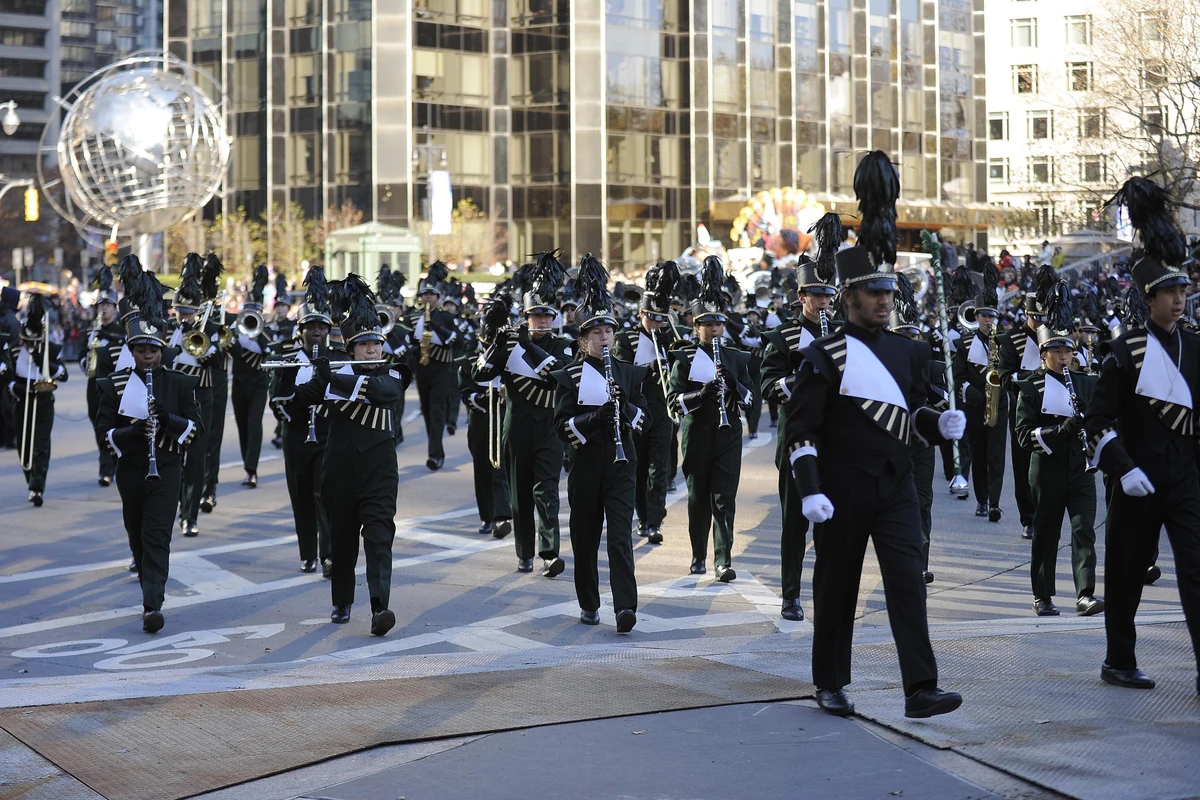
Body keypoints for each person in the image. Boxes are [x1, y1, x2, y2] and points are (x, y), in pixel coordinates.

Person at [783, 150, 965, 719]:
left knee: (908, 582)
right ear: (848, 297)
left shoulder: (910, 352)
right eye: (874, 293)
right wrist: (810, 488)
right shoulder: (825, 353)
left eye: (889, 292)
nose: (885, 300)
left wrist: (941, 424)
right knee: (836, 588)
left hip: (896, 487)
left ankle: (920, 688)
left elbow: (912, 414)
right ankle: (830, 680)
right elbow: (799, 431)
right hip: (839, 490)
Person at [1085, 177, 1200, 692]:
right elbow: (1098, 420)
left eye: (1183, 291)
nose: (1180, 300)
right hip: (1138, 476)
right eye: (1170, 293)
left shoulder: (1195, 347)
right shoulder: (1124, 349)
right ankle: (1119, 660)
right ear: (1149, 297)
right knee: (1127, 575)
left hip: (1187, 479)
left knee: (1197, 574)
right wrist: (1122, 467)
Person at [296, 273, 410, 633]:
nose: (373, 350)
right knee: (342, 539)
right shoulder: (333, 373)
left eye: (376, 343)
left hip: (380, 471)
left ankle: (380, 608)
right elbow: (302, 400)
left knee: (379, 537)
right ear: (351, 349)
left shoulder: (395, 373)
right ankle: (342, 601)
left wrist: (333, 378)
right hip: (340, 469)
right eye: (365, 345)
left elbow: (381, 393)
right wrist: (313, 373)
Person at [95, 273, 200, 633]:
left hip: (167, 466)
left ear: (162, 351)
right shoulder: (115, 384)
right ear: (133, 351)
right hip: (131, 469)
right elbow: (105, 434)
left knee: (157, 535)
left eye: (154, 350)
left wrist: (169, 420)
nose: (148, 356)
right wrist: (134, 431)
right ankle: (146, 581)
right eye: (141, 350)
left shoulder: (180, 383)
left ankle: (152, 603)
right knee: (137, 533)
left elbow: (194, 430)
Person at [553, 255, 647, 629]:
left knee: (620, 536)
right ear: (583, 339)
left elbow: (645, 419)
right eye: (596, 333)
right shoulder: (569, 375)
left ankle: (626, 606)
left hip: (623, 463)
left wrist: (623, 410)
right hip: (586, 462)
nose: (604, 337)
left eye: (608, 331)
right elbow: (561, 425)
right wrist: (594, 417)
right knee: (585, 535)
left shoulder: (629, 372)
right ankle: (589, 601)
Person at [474, 252, 574, 575]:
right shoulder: (511, 343)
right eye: (535, 316)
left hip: (548, 427)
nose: (542, 322)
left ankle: (549, 552)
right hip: (515, 427)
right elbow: (481, 374)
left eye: (547, 316)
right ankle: (524, 553)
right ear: (526, 316)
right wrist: (496, 344)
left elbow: (556, 372)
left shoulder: (563, 345)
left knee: (546, 490)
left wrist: (526, 346)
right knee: (519, 495)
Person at [760, 218, 841, 620]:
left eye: (829, 295)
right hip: (796, 441)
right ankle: (790, 595)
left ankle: (826, 593)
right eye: (816, 295)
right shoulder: (784, 338)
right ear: (802, 296)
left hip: (835, 441)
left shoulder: (844, 335)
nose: (824, 302)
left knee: (831, 526)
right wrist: (800, 378)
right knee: (795, 525)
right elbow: (767, 386)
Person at [1014, 283, 1103, 617]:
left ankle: (1085, 593)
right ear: (1043, 353)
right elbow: (1023, 435)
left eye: (1068, 350)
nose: (1065, 356)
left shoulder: (1086, 383)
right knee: (1047, 533)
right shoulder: (1030, 386)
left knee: (1084, 529)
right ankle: (1043, 596)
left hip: (1080, 469)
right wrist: (1059, 430)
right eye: (1057, 351)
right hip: (1047, 471)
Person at [666, 255, 754, 581]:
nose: (714, 329)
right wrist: (699, 395)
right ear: (696, 326)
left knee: (724, 499)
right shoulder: (684, 358)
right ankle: (697, 555)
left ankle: (723, 560)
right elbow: (673, 400)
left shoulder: (735, 357)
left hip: (728, 433)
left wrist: (734, 384)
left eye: (718, 323)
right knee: (697, 497)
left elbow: (751, 400)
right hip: (697, 431)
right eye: (707, 324)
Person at [269, 266, 335, 575]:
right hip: (296, 437)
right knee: (300, 495)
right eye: (310, 327)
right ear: (301, 330)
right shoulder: (288, 358)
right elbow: (277, 404)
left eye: (321, 327)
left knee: (326, 495)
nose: (317, 332)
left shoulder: (337, 358)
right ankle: (307, 553)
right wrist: (289, 376)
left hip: (327, 435)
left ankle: (329, 555)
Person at [613, 260, 680, 545]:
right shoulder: (626, 338)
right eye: (651, 317)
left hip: (663, 409)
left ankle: (654, 520)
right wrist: (646, 369)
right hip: (636, 410)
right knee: (639, 466)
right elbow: (620, 372)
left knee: (660, 466)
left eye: (660, 318)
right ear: (641, 313)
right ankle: (642, 516)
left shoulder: (671, 339)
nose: (656, 323)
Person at [166, 253, 226, 537]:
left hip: (201, 396)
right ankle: (175, 506)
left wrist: (206, 351)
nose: (184, 316)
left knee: (197, 456)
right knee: (173, 456)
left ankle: (189, 516)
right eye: (180, 311)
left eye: (188, 312)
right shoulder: (169, 332)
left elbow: (219, 362)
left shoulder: (212, 330)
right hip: (174, 395)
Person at [952, 269, 1007, 522]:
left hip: (999, 406)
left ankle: (995, 503)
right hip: (975, 407)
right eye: (985, 316)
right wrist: (974, 395)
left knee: (996, 456)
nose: (988, 321)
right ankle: (982, 500)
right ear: (976, 317)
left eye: (992, 316)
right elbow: (957, 377)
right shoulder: (964, 345)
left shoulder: (1004, 343)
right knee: (979, 453)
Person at [3, 293, 67, 506]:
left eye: (34, 342)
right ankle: (31, 479)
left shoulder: (50, 350)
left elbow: (63, 375)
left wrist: (41, 358)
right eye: (26, 342)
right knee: (23, 446)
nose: (29, 346)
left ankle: (37, 487)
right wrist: (13, 384)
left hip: (44, 402)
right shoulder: (14, 351)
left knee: (40, 444)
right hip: (21, 401)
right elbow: (8, 377)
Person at [459, 295, 513, 538]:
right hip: (481, 419)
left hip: (504, 415)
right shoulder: (470, 360)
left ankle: (503, 515)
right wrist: (479, 399)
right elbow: (465, 391)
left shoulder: (510, 358)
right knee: (482, 467)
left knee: (502, 466)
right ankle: (487, 517)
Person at [997, 285, 1049, 539]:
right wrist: (1033, 377)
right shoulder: (1012, 339)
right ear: (1027, 314)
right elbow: (1005, 376)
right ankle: (1028, 517)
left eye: (1044, 318)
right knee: (1023, 465)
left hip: (1052, 409)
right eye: (1035, 317)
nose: (1040, 323)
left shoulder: (1055, 336)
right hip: (1023, 410)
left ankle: (1047, 514)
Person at [410, 261, 460, 471]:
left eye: (431, 294)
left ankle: (435, 454)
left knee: (437, 410)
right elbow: (411, 342)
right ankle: (436, 448)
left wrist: (435, 326)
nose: (428, 297)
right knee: (427, 410)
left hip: (442, 368)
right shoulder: (413, 317)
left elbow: (456, 340)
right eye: (425, 294)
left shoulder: (447, 317)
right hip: (423, 369)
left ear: (438, 297)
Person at [82, 265, 126, 487]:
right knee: (99, 427)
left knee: (114, 426)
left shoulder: (121, 332)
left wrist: (105, 348)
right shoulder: (92, 330)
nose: (104, 310)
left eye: (107, 305)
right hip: (94, 384)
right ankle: (107, 464)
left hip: (115, 385)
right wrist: (87, 357)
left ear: (114, 308)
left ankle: (109, 468)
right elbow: (82, 356)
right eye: (101, 306)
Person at [229, 265, 272, 489]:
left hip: (258, 383)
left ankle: (251, 470)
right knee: (243, 426)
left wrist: (259, 334)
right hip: (239, 383)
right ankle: (248, 464)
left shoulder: (266, 332)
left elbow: (270, 349)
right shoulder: (235, 331)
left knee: (254, 424)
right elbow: (230, 350)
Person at [199, 254, 230, 515]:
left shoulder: (222, 316)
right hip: (189, 379)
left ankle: (209, 489)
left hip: (215, 379)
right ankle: (189, 489)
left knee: (212, 437)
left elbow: (229, 348)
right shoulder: (188, 318)